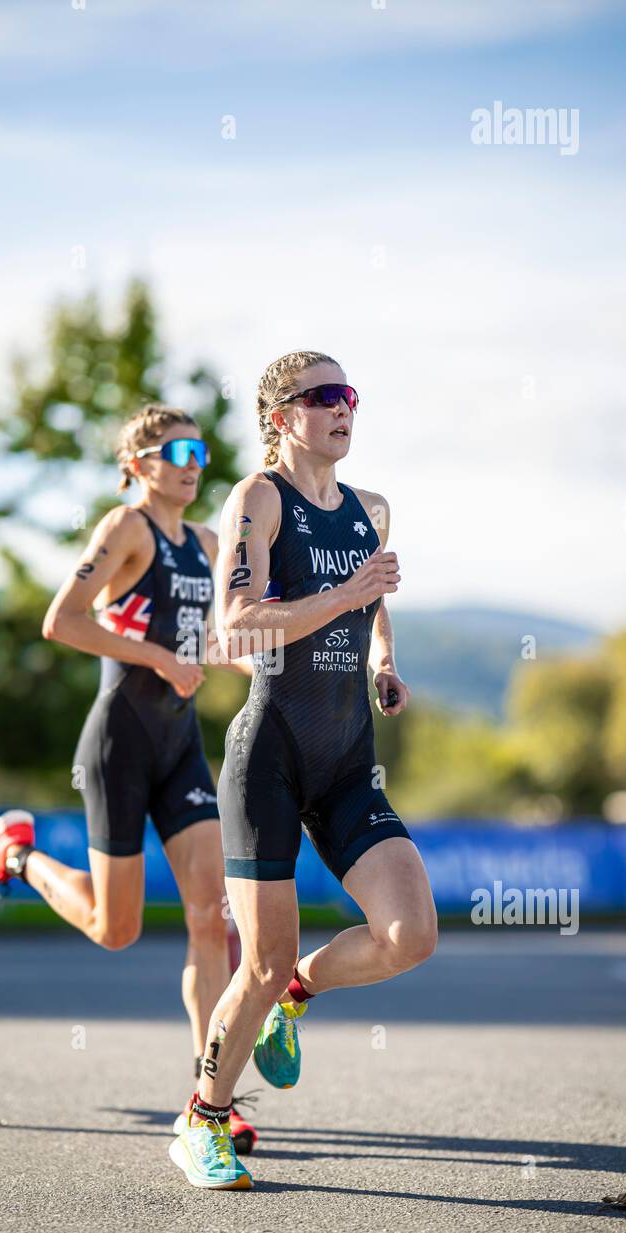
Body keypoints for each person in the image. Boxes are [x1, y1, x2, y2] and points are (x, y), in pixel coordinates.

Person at [169, 352, 438, 1189]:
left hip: (350, 758)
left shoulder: (370, 509)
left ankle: (300, 994)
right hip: (271, 757)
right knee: (257, 955)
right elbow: (237, 626)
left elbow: (376, 596)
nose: (344, 408)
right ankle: (200, 1121)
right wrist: (346, 593)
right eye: (323, 396)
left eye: (350, 394)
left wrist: (384, 660)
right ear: (282, 416)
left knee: (411, 936)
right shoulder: (256, 498)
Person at [0, 406, 258, 1149]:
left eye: (201, 450)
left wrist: (262, 665)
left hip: (180, 746)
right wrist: (160, 658)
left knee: (210, 918)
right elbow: (62, 621)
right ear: (138, 463)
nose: (194, 462)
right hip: (120, 740)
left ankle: (210, 1092)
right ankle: (14, 853)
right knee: (114, 929)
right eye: (178, 450)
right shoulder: (125, 528)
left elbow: (215, 640)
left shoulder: (209, 543)